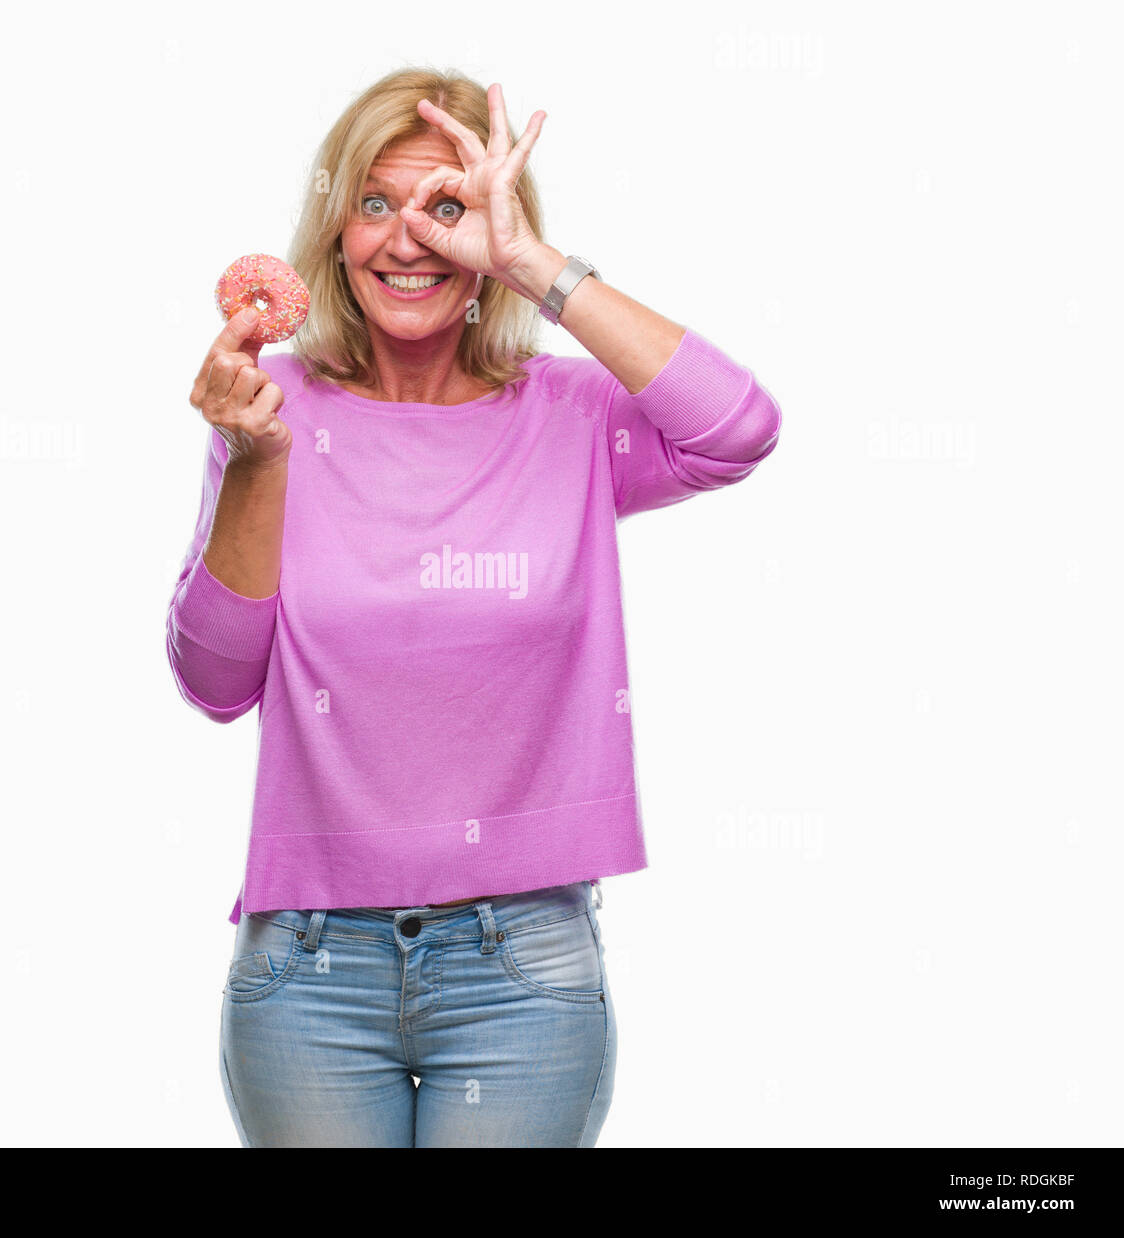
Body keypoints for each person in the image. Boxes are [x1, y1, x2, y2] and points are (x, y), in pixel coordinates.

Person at [165, 67, 782, 1147]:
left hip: (524, 969)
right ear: (336, 232)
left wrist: (534, 267)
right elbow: (214, 684)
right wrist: (254, 462)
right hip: (307, 975)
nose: (408, 240)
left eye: (445, 207)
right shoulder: (269, 408)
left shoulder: (573, 415)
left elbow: (738, 427)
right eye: (373, 203)